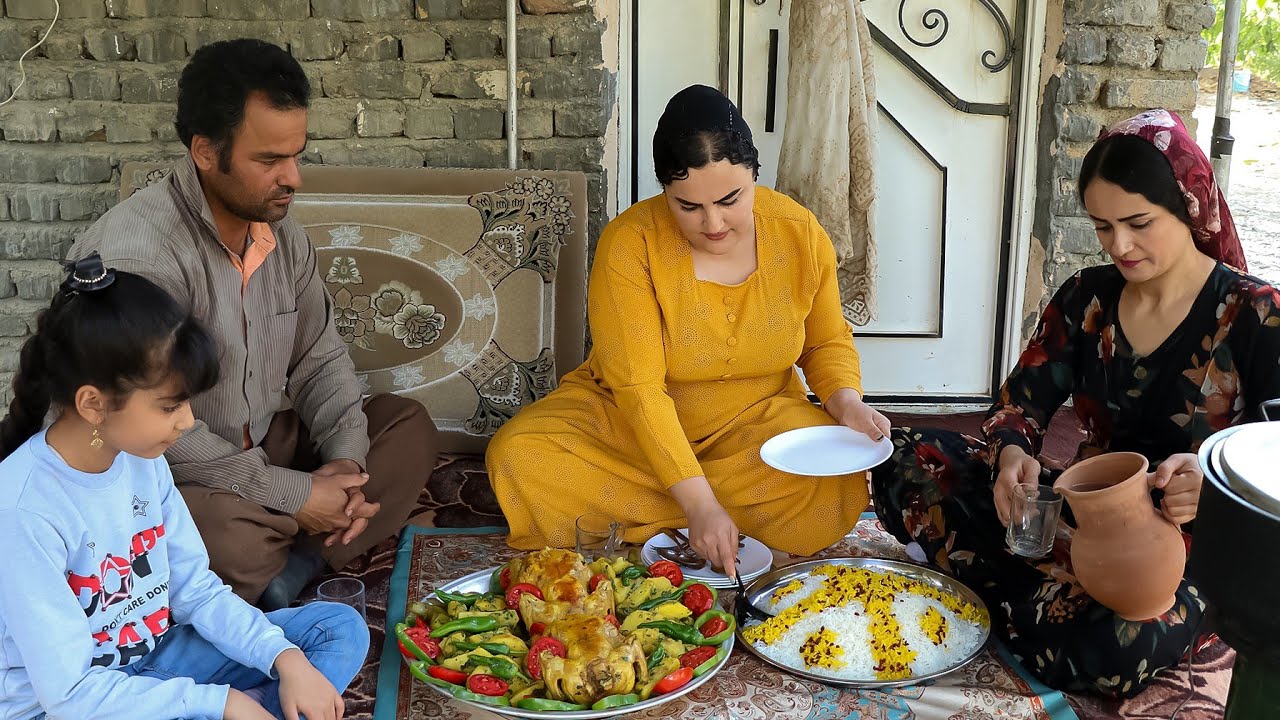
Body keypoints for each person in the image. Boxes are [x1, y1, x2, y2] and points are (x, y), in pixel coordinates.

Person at [870, 109, 1280, 697]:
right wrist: (1012, 454)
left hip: (1177, 552)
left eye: (1138, 223)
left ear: (1189, 207)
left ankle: (1013, 599)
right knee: (903, 454)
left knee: (1116, 646)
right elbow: (1021, 404)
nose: (1120, 245)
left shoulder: (1258, 315)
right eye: (1103, 226)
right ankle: (1039, 601)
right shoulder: (1088, 296)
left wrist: (1213, 487)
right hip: (1078, 513)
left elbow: (1274, 460)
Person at [69, 38, 438, 610]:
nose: (293, 178)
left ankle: (293, 563)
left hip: (263, 441)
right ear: (205, 152)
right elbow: (147, 426)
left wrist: (345, 464)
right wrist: (294, 493)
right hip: (168, 466)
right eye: (268, 161)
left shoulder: (283, 236)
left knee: (404, 427)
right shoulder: (142, 256)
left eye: (296, 155)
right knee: (218, 536)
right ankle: (296, 548)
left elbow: (319, 358)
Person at [486, 85, 890, 578]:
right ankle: (708, 517)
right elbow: (638, 389)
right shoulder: (630, 244)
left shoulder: (798, 232)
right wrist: (698, 501)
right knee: (519, 455)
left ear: (754, 175)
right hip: (628, 428)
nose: (713, 223)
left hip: (755, 424)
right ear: (664, 191)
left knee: (834, 481)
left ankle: (649, 525)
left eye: (730, 200)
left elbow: (825, 341)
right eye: (688, 206)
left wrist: (845, 401)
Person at [0, 255, 367, 720]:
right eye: (169, 406)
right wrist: (219, 701)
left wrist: (284, 659)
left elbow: (196, 589)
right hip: (68, 705)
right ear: (93, 404)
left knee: (336, 627)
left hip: (156, 658)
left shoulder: (141, 460)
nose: (188, 421)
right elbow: (70, 694)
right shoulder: (23, 508)